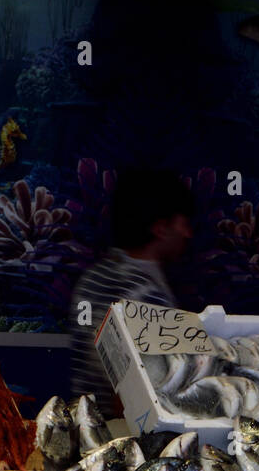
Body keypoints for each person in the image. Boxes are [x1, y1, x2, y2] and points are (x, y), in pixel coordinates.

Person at [68, 168, 193, 415]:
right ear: (161, 228)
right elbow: (138, 397)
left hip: (87, 430)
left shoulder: (90, 279)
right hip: (123, 441)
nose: (188, 234)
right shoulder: (149, 296)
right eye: (185, 224)